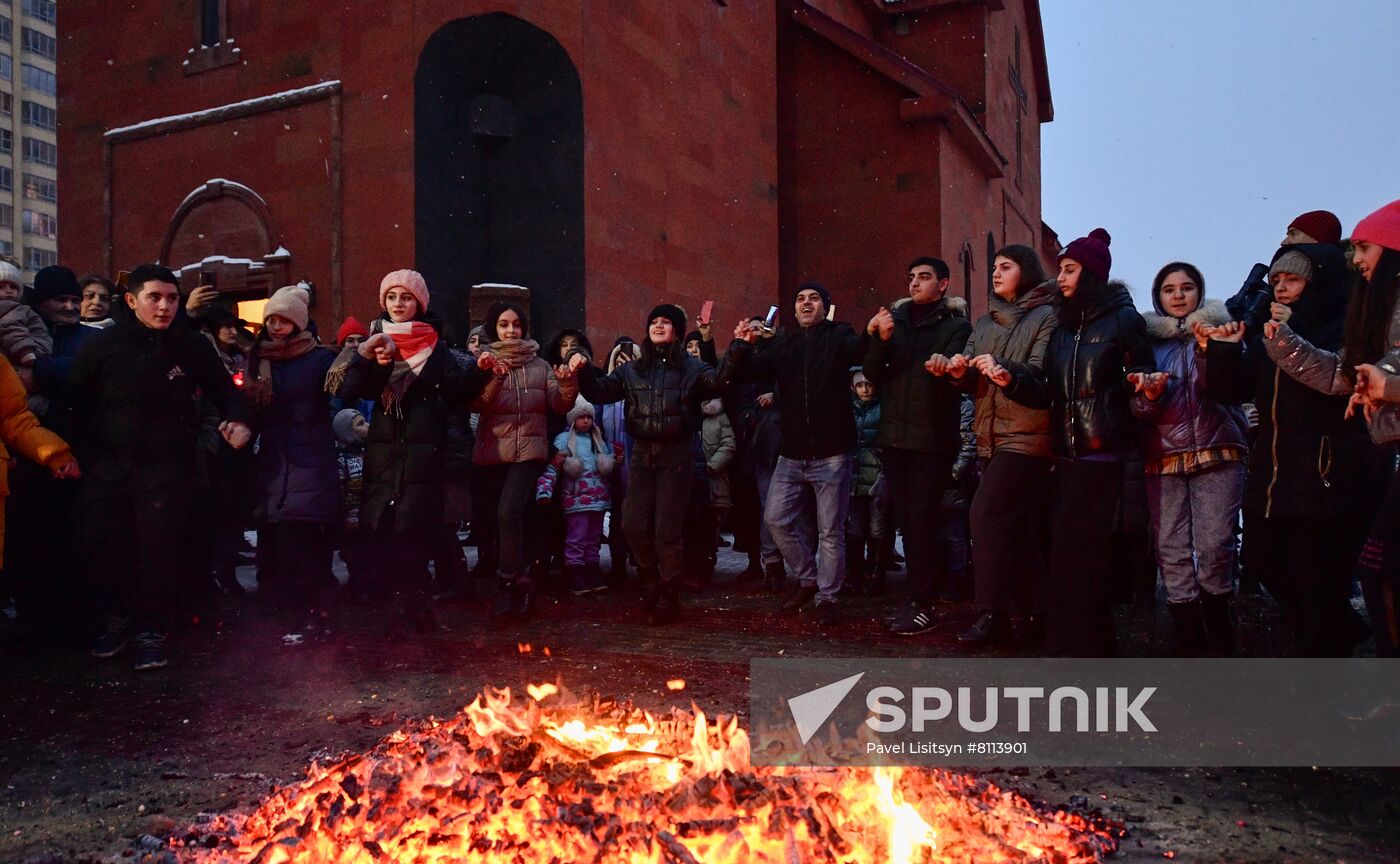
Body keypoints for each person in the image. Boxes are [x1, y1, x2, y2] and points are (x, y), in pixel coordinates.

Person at [1206, 242, 1384, 656]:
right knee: (1262, 559)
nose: (1281, 288)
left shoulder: (1346, 327)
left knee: (1317, 584)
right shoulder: (1272, 330)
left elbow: (1337, 384)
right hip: (1272, 477)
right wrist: (1225, 350)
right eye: (1276, 281)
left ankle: (1320, 673)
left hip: (1325, 479)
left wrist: (1291, 333)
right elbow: (1231, 391)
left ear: (1317, 283)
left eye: (1293, 279)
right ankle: (1338, 631)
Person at [73, 264, 252, 670]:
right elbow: (76, 403)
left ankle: (152, 630)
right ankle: (121, 619)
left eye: (172, 298)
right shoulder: (104, 345)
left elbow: (228, 395)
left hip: (168, 470)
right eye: (155, 297)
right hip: (109, 469)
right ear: (133, 300)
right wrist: (82, 456)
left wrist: (240, 422)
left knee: (159, 552)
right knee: (107, 547)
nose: (165, 306)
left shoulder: (191, 346)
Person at [998, 229, 1155, 657]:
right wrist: (1011, 379)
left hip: (1104, 454)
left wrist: (1142, 387)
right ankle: (1083, 645)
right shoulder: (1066, 326)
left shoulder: (1123, 319)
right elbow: (1049, 388)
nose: (1061, 278)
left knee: (1081, 554)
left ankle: (1076, 649)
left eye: (1069, 270)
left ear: (1091, 274)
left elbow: (1143, 377)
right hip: (1068, 453)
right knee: (1070, 552)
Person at [1260, 200, 1400, 655]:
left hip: (1341, 475)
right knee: (1376, 572)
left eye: (1363, 246)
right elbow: (1344, 373)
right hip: (1292, 477)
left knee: (1376, 571)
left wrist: (1388, 387)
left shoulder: (1370, 308)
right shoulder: (1376, 307)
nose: (1355, 257)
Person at [334, 269, 488, 632]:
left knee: (416, 533)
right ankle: (389, 609)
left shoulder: (434, 344)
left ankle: (415, 611)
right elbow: (353, 391)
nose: (398, 304)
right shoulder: (374, 340)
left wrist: (480, 373)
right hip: (385, 451)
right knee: (383, 529)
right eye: (392, 297)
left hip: (424, 451)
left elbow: (455, 392)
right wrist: (366, 357)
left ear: (419, 303)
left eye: (406, 297)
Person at [572, 303, 737, 624]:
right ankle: (651, 581)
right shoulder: (633, 369)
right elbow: (598, 391)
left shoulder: (690, 368)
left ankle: (669, 594)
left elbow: (718, 382)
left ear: (676, 330)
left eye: (666, 322)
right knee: (632, 522)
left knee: (666, 530)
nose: (659, 326)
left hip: (676, 455)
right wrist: (581, 366)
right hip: (642, 454)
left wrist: (737, 347)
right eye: (654, 322)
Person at [927, 245, 1056, 648]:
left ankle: (992, 614)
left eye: (1006, 267)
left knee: (983, 515)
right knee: (1017, 528)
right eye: (994, 267)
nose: (996, 274)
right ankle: (1038, 614)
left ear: (1028, 272)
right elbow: (967, 374)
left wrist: (1004, 372)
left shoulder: (1046, 316)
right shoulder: (983, 322)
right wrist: (952, 371)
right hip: (990, 435)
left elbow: (1040, 374)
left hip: (1028, 435)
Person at [731, 282, 865, 628]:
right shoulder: (785, 344)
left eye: (814, 298)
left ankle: (828, 597)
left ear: (826, 306)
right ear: (793, 310)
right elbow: (749, 371)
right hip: (791, 454)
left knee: (830, 531)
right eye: (800, 299)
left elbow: (862, 351)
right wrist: (743, 344)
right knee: (775, 518)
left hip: (832, 454)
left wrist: (877, 333)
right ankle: (808, 578)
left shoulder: (838, 335)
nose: (807, 303)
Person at [1131, 262, 1249, 655]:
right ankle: (1188, 636)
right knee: (1171, 547)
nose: (1179, 295)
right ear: (1158, 297)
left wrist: (1207, 350)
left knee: (1216, 543)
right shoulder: (1145, 343)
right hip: (1163, 456)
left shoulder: (1223, 332)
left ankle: (1219, 625)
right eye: (1169, 289)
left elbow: (1228, 390)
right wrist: (1148, 396)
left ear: (1200, 292)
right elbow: (1138, 411)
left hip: (1219, 450)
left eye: (1186, 287)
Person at [864, 259, 973, 635]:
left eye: (923, 277)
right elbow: (873, 374)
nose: (914, 283)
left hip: (931, 441)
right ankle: (917, 598)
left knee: (924, 522)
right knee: (909, 523)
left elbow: (955, 380)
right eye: (910, 277)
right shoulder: (897, 323)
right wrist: (880, 338)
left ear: (943, 285)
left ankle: (923, 602)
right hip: (895, 439)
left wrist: (946, 368)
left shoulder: (956, 327)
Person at [242, 285, 340, 633]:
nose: (275, 326)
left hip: (310, 457)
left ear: (298, 322)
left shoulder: (319, 359)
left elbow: (337, 397)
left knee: (302, 533)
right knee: (272, 530)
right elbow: (247, 405)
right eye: (271, 319)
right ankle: (275, 609)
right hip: (273, 456)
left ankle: (310, 610)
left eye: (283, 319)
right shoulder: (259, 357)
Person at [473, 301, 578, 620]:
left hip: (529, 451)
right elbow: (476, 405)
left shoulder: (540, 365)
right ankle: (520, 579)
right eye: (503, 325)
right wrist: (494, 379)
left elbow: (559, 406)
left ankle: (509, 584)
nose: (510, 330)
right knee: (502, 519)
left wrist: (566, 384)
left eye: (516, 324)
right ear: (494, 329)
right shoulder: (483, 363)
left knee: (509, 513)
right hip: (494, 452)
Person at [536, 397, 613, 595]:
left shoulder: (598, 439)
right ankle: (575, 569)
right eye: (581, 417)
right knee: (577, 536)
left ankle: (592, 567)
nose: (586, 421)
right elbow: (553, 467)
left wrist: (615, 460)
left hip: (598, 498)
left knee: (593, 537)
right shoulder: (563, 440)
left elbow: (606, 460)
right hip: (576, 498)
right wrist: (544, 489)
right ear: (572, 419)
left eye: (589, 416)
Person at [846, 368, 891, 595]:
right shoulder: (848, 410)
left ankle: (876, 575)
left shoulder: (883, 408)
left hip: (876, 477)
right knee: (855, 530)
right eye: (860, 385)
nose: (865, 389)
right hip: (853, 478)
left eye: (869, 384)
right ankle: (855, 574)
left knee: (877, 529)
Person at [0, 259, 52, 375]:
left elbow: (40, 333)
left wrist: (35, 351)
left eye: (13, 287)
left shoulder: (24, 310)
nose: (9, 291)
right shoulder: (15, 309)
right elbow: (10, 328)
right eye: (1, 287)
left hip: (27, 359)